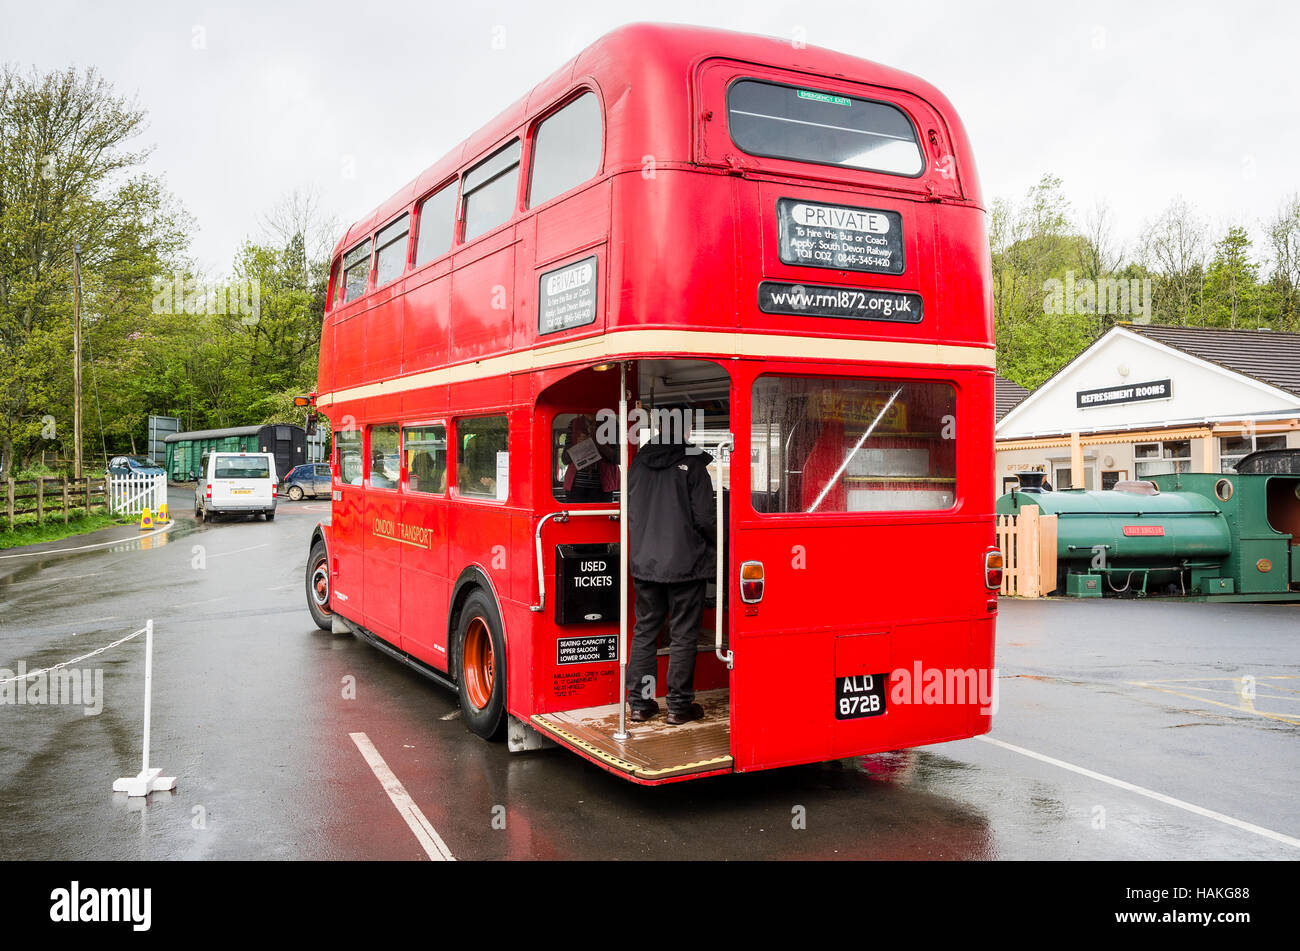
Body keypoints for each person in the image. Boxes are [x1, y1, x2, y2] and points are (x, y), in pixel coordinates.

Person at [625, 414, 716, 725]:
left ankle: (640, 704)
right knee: (683, 635)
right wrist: (716, 543)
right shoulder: (692, 464)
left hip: (644, 563)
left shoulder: (638, 463)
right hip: (685, 565)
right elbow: (705, 517)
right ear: (688, 430)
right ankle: (678, 707)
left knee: (645, 631)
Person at [560, 414, 618, 503]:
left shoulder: (612, 424)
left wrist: (598, 444)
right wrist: (577, 445)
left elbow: (619, 458)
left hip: (603, 488)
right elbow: (565, 459)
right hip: (576, 488)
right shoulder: (574, 423)